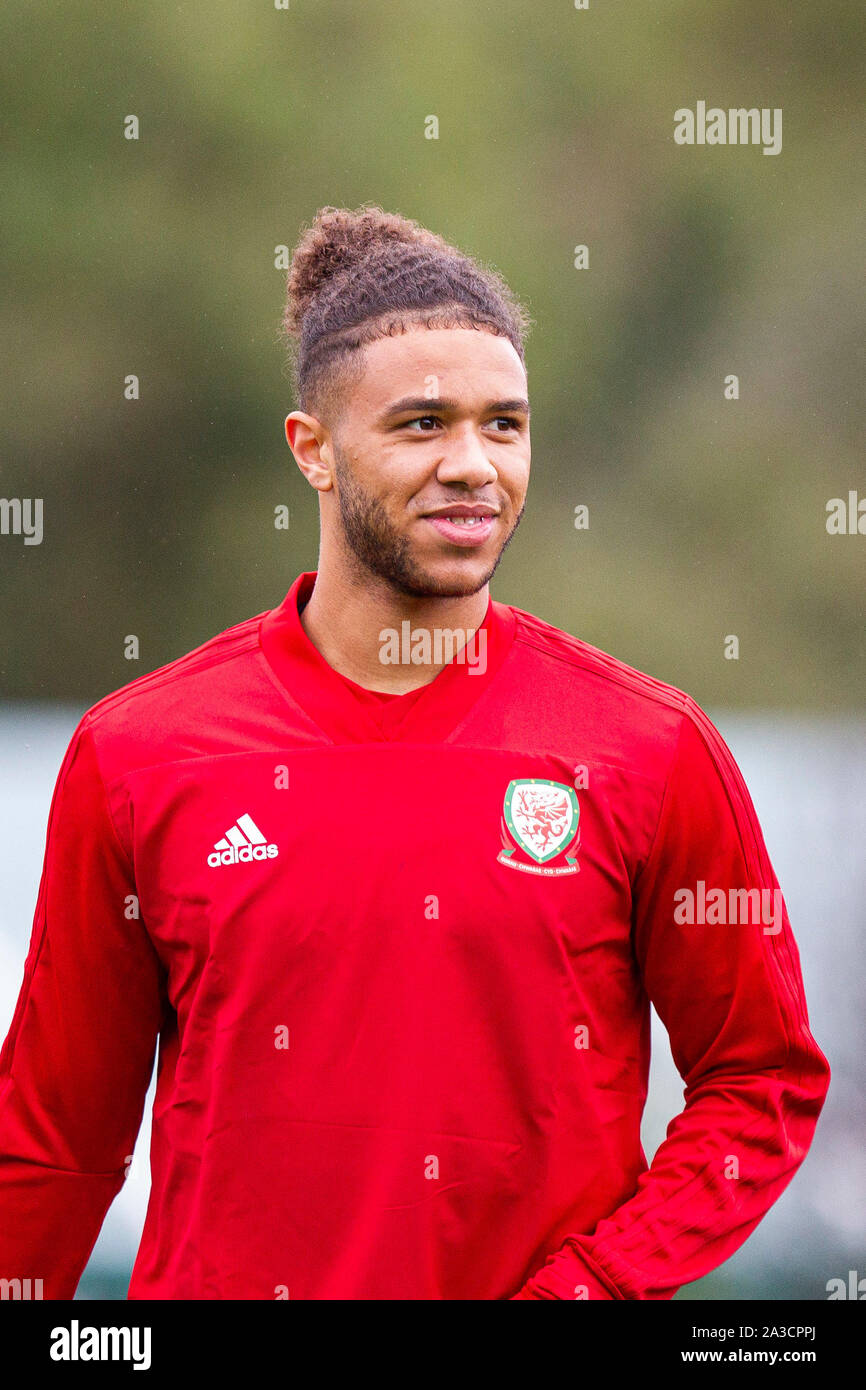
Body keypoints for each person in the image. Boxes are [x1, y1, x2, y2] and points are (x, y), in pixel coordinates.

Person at [0, 205, 830, 1300]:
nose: (472, 466)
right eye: (421, 424)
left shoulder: (648, 748)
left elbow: (759, 1077)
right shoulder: (139, 754)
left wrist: (592, 1285)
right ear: (313, 451)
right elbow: (55, 1141)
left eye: (503, 424)